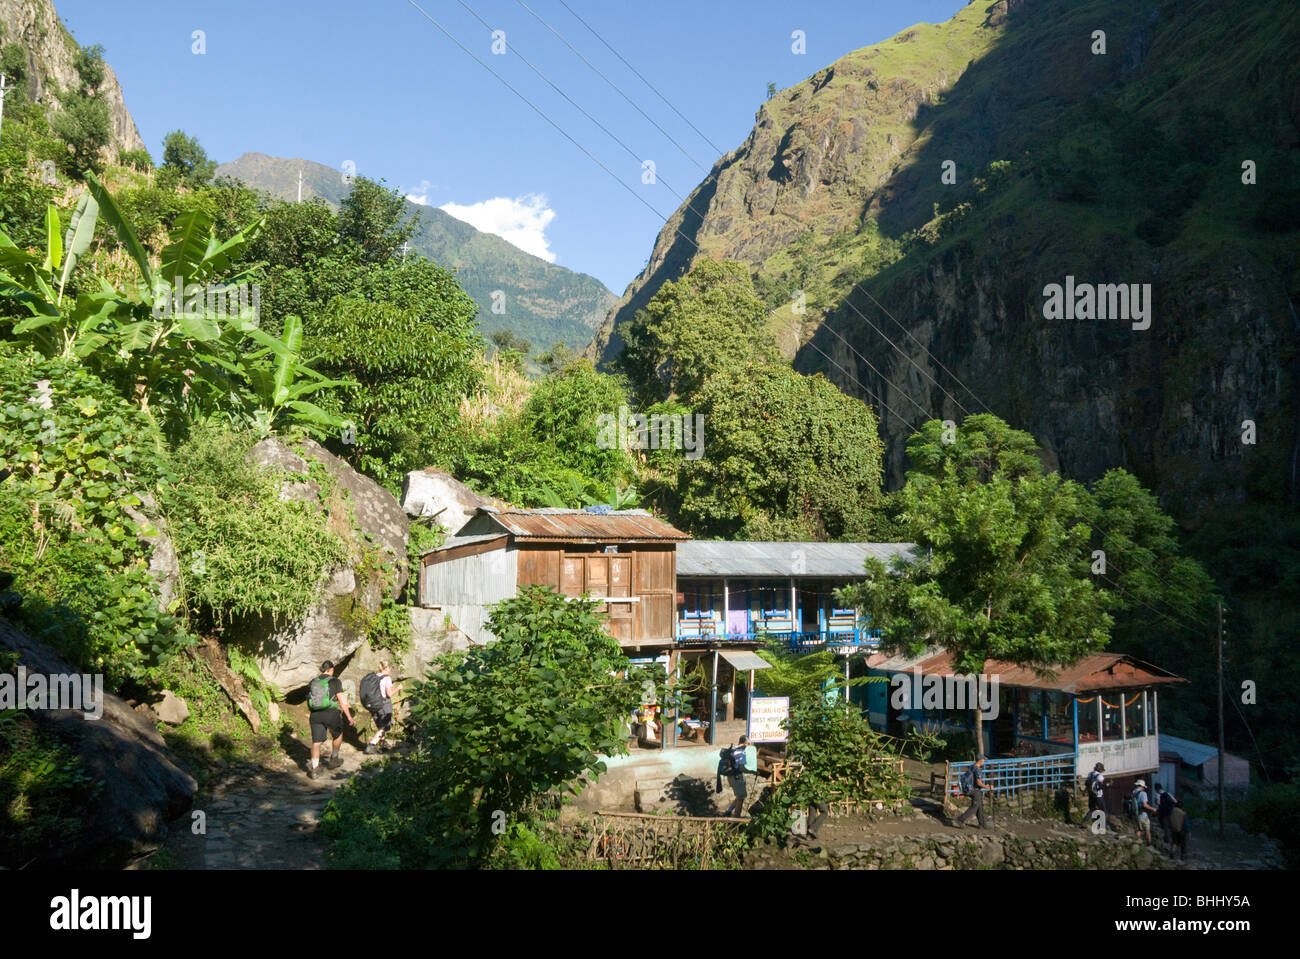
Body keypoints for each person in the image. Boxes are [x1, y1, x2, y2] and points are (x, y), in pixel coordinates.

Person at [306, 660, 355, 780]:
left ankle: (315, 769)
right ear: (331, 669)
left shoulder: (314, 681)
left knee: (316, 742)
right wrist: (349, 717)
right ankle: (334, 759)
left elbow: (310, 699)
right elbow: (342, 701)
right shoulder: (335, 681)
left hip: (315, 714)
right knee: (337, 734)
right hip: (330, 713)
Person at [361, 661, 402, 755]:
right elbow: (389, 694)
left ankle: (382, 745)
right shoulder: (387, 678)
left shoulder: (374, 677)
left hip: (373, 705)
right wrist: (398, 688)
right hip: (384, 705)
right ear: (387, 668)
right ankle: (371, 745)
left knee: (381, 725)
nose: (390, 671)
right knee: (384, 726)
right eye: (390, 669)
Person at [719, 736, 751, 817]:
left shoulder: (732, 749)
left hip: (730, 776)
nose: (748, 745)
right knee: (741, 798)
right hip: (737, 777)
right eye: (748, 743)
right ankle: (737, 818)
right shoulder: (741, 752)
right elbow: (741, 768)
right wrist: (753, 772)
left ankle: (728, 811)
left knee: (738, 796)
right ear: (745, 743)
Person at [955, 755, 990, 828]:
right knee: (975, 806)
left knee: (979, 806)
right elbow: (978, 783)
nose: (984, 762)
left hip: (971, 789)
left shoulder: (972, 766)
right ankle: (960, 819)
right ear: (981, 760)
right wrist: (987, 787)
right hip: (975, 790)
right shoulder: (977, 769)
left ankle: (982, 823)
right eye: (983, 760)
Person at [1132, 778, 1158, 845]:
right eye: (1143, 787)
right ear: (1141, 786)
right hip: (1143, 814)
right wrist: (1153, 809)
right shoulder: (1143, 793)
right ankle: (1149, 844)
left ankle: (1136, 843)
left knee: (1139, 829)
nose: (1144, 788)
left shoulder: (1134, 792)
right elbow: (1145, 805)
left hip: (1136, 814)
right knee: (1147, 829)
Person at [1154, 783, 1177, 848]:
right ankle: (1173, 840)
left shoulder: (1158, 794)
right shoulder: (1168, 793)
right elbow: (1175, 801)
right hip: (1170, 812)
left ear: (1156, 788)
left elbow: (1158, 803)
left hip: (1163, 813)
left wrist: (1158, 802)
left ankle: (1166, 840)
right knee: (1171, 825)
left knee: (1164, 826)